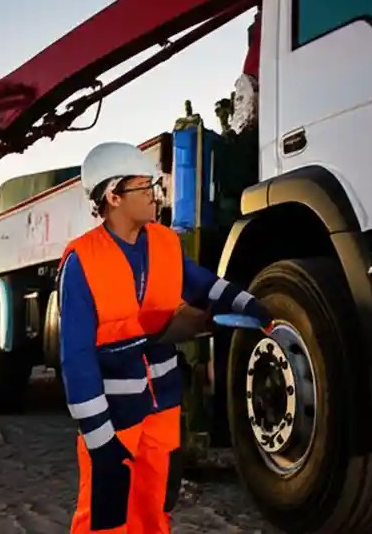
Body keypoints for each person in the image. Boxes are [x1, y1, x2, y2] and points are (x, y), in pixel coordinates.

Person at [57, 141, 273, 533]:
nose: (158, 196)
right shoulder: (82, 262)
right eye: (146, 187)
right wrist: (100, 439)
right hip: (116, 416)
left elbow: (204, 285)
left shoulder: (164, 243)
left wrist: (251, 304)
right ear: (114, 196)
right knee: (106, 518)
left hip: (163, 408)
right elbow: (77, 358)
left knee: (155, 509)